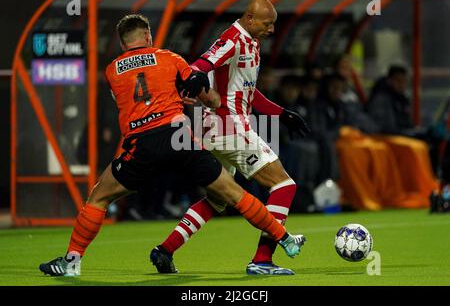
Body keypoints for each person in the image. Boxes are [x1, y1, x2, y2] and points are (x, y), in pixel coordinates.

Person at [38, 14, 306, 276]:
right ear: (148, 36)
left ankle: (72, 261)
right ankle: (282, 240)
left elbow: (134, 98)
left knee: (99, 197)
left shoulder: (112, 70)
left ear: (122, 44)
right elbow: (210, 98)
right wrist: (192, 95)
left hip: (142, 144)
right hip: (180, 139)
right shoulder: (169, 58)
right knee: (235, 193)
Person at [152, 0, 310, 276]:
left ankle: (165, 250)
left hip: (214, 129)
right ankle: (262, 260)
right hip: (229, 126)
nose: (272, 30)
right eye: (267, 24)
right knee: (284, 185)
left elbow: (247, 91)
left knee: (218, 199)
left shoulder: (251, 41)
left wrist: (282, 114)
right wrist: (198, 75)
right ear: (249, 18)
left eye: (274, 24)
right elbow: (203, 62)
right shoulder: (233, 38)